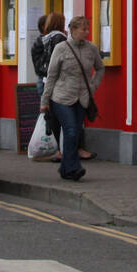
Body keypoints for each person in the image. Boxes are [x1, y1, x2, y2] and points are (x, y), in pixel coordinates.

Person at [40, 16, 104, 182]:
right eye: (83, 29)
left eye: (87, 29)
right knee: (71, 130)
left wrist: (93, 87)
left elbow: (100, 68)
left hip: (82, 98)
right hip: (61, 97)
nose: (87, 32)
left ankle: (65, 168)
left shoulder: (91, 49)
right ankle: (74, 167)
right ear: (73, 30)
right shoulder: (61, 48)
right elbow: (51, 75)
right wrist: (45, 101)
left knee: (74, 133)